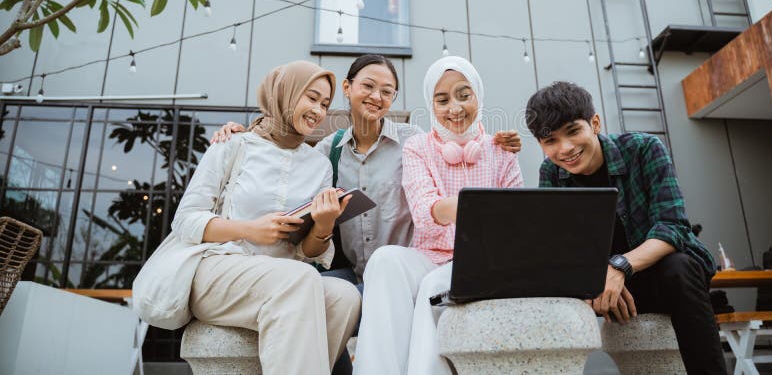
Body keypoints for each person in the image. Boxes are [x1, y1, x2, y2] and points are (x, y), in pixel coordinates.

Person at [212, 54, 520, 374]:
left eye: (387, 91)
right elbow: (287, 159)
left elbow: (451, 136)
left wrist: (497, 142)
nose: (377, 97)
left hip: (406, 267)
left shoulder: (413, 140)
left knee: (345, 300)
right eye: (368, 86)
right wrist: (244, 134)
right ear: (347, 88)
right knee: (312, 297)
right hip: (355, 271)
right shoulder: (326, 152)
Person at [172, 61, 361, 374]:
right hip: (218, 269)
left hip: (286, 280)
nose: (318, 110)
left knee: (344, 296)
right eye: (311, 98)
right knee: (300, 279)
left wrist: (324, 226)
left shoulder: (319, 166)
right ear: (284, 94)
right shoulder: (234, 144)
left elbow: (308, 254)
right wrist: (250, 229)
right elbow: (185, 221)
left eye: (325, 104)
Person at [525, 81, 725, 374]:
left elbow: (672, 226)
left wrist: (619, 268)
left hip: (658, 275)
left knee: (679, 267)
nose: (565, 149)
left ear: (594, 123)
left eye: (572, 132)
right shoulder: (551, 173)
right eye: (550, 141)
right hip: (601, 288)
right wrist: (593, 281)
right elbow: (557, 249)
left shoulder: (644, 149)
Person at [353, 56, 523, 375]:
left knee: (434, 285)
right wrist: (476, 205)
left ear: (479, 97)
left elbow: (514, 223)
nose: (454, 109)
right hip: (430, 254)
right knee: (385, 260)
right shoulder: (418, 147)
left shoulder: (501, 149)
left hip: (483, 261)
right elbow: (425, 212)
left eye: (464, 95)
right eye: (442, 100)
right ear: (431, 104)